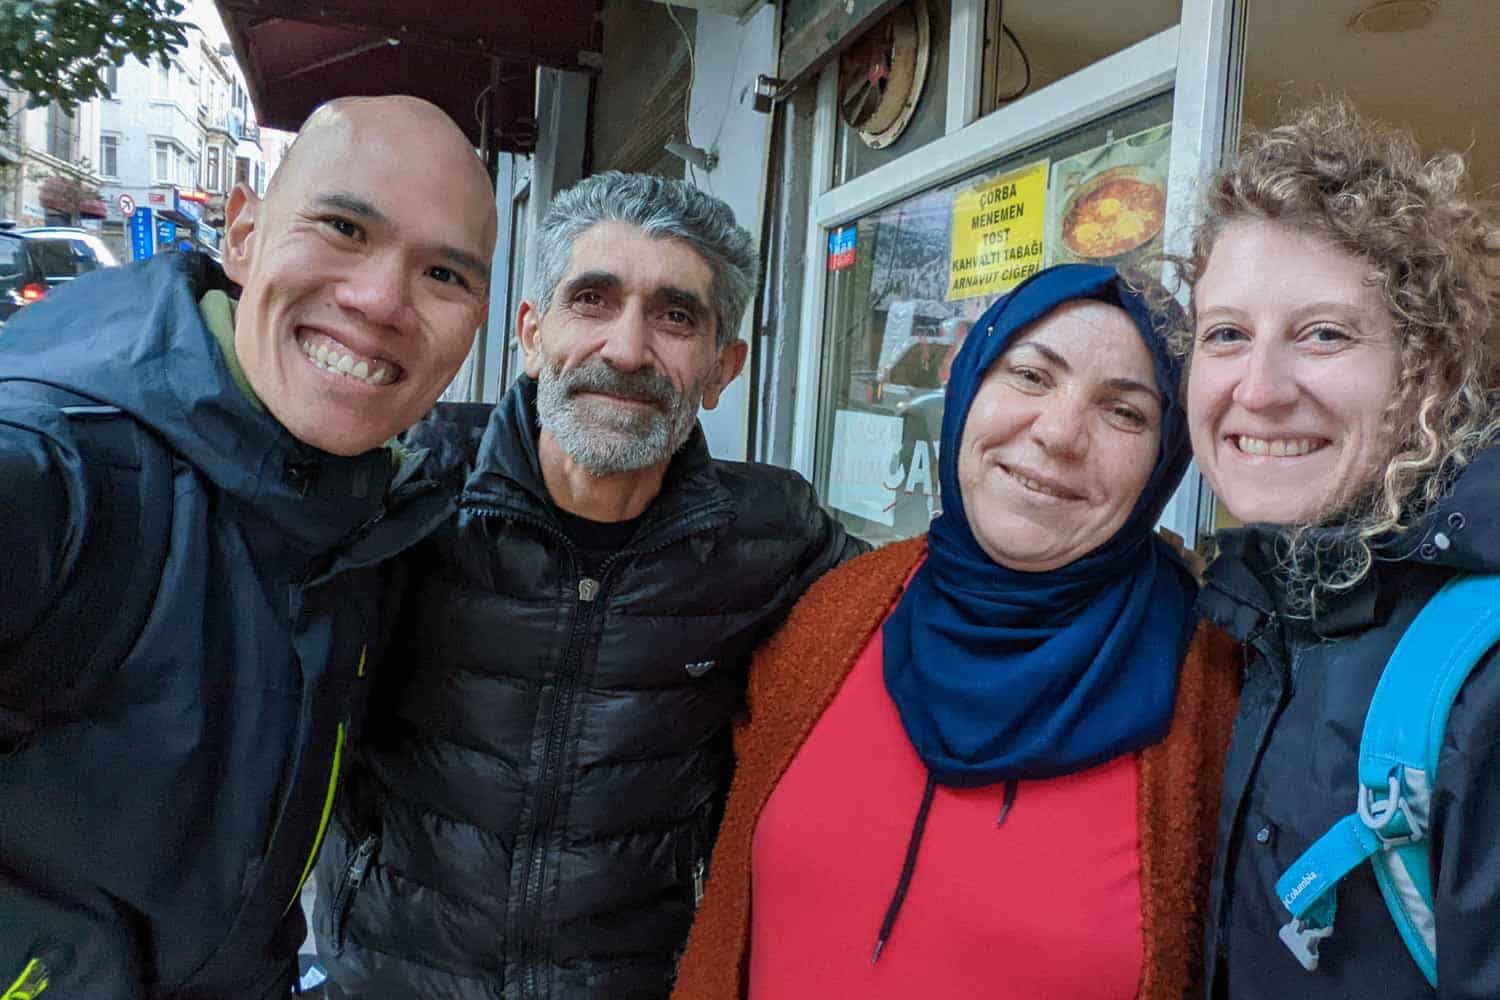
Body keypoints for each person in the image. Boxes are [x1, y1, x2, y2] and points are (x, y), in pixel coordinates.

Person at [313, 171, 864, 998]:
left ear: (723, 367)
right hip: (394, 976)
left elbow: (935, 615)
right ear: (532, 334)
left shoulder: (771, 536)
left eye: (676, 316)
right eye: (593, 300)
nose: (628, 349)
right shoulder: (404, 492)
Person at [0, 96, 497, 999]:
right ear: (241, 234)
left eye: (444, 274)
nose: (380, 300)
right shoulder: (53, 470)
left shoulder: (368, 513)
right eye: (344, 226)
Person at [672, 264, 1240, 999]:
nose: (1060, 433)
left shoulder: (1219, 691)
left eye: (1125, 412)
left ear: (1167, 457)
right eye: (1032, 377)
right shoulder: (835, 614)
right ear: (968, 386)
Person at [1180, 101, 1500, 996]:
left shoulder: (1483, 678)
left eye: (1324, 333)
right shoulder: (1248, 614)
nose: (1260, 388)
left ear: (1429, 369)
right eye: (1227, 334)